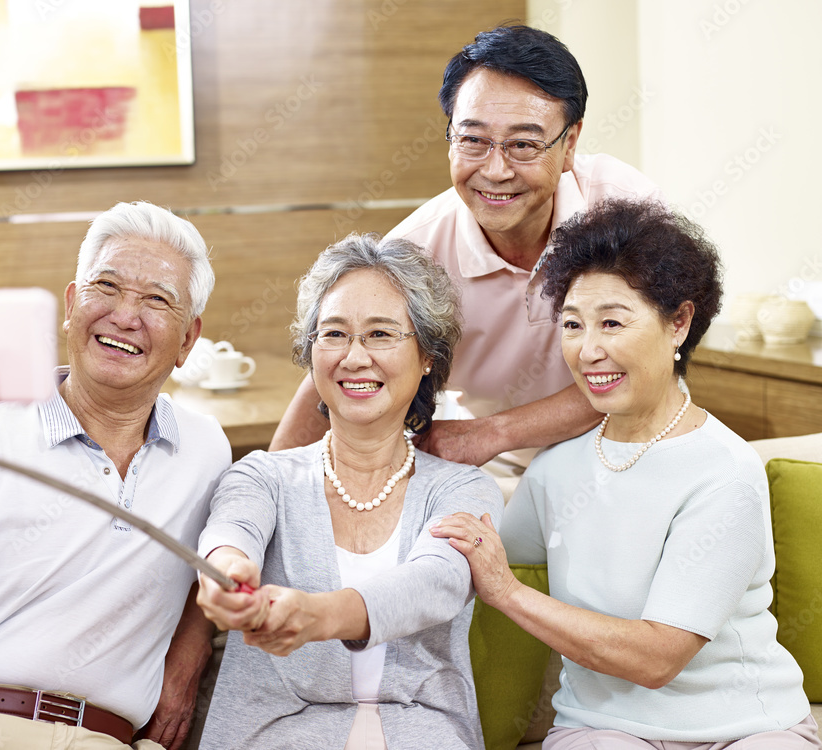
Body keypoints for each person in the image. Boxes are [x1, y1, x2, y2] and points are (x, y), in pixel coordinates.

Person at [432, 199, 822, 749]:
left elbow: (657, 656)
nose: (589, 350)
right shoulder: (557, 468)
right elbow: (480, 545)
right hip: (602, 729)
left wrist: (508, 592)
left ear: (678, 322)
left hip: (748, 728)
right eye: (572, 324)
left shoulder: (723, 472)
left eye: (613, 322)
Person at [0, 202, 232, 750]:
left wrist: (188, 659)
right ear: (72, 304)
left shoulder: (205, 451)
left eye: (156, 299)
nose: (125, 316)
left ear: (188, 341)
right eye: (106, 286)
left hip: (99, 738)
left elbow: (231, 557)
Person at [270, 25, 661, 471]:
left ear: (569, 143)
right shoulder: (416, 251)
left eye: (523, 145)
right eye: (472, 139)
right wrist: (267, 494)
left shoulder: (625, 207)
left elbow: (642, 368)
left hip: (637, 444)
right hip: (506, 468)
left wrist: (492, 432)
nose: (495, 171)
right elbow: (334, 375)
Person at [194, 234, 503, 749]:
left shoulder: (462, 488)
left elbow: (437, 581)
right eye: (334, 334)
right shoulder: (262, 476)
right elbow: (231, 533)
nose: (354, 357)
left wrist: (316, 617)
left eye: (380, 334)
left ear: (427, 354)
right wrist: (228, 575)